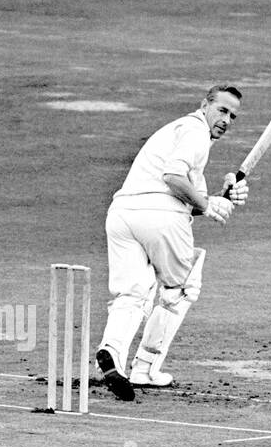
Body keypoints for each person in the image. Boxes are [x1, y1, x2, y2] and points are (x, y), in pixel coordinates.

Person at [95, 84, 248, 401]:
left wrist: (220, 197)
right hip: (160, 219)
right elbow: (174, 179)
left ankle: (111, 353)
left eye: (233, 115)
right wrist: (208, 206)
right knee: (182, 287)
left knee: (133, 292)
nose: (227, 120)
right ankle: (146, 368)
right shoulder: (196, 134)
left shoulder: (176, 131)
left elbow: (184, 195)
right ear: (204, 105)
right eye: (222, 110)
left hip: (122, 215)